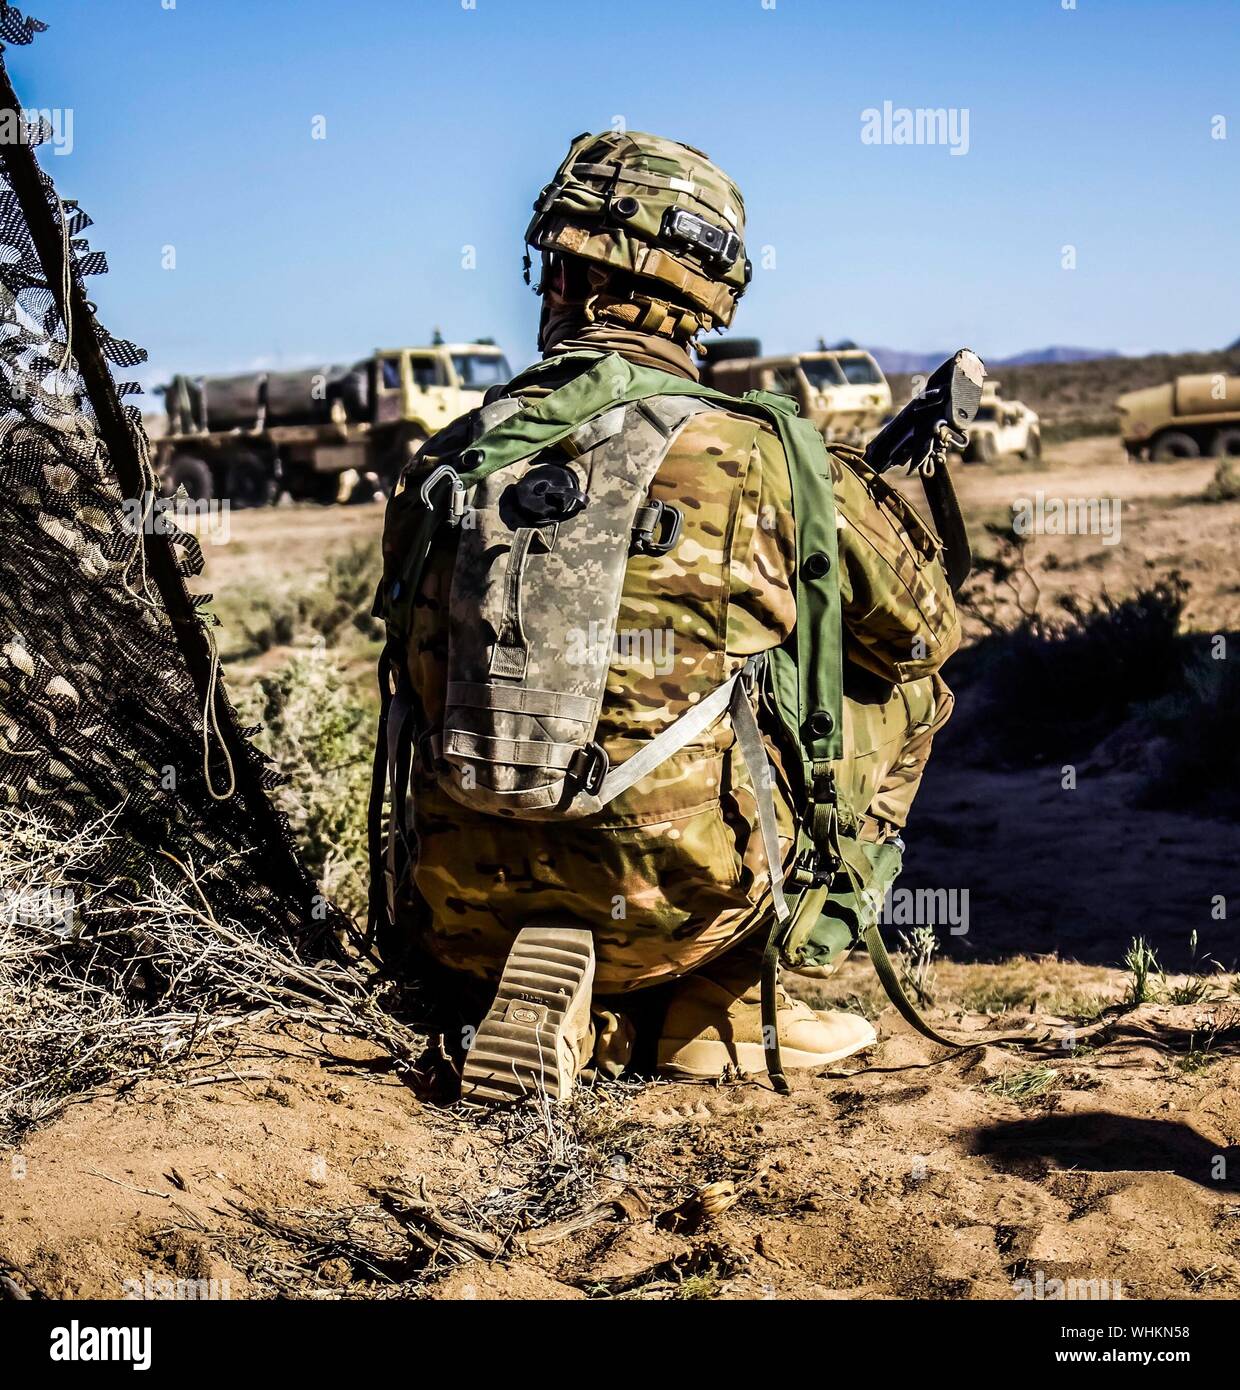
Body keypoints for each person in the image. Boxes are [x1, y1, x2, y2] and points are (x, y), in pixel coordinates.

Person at [374, 130, 958, 1102]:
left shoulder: (445, 459)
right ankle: (717, 1000)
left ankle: (566, 988)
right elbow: (917, 636)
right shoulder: (765, 453)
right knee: (909, 692)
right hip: (677, 909)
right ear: (708, 293)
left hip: (457, 910)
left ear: (559, 270)